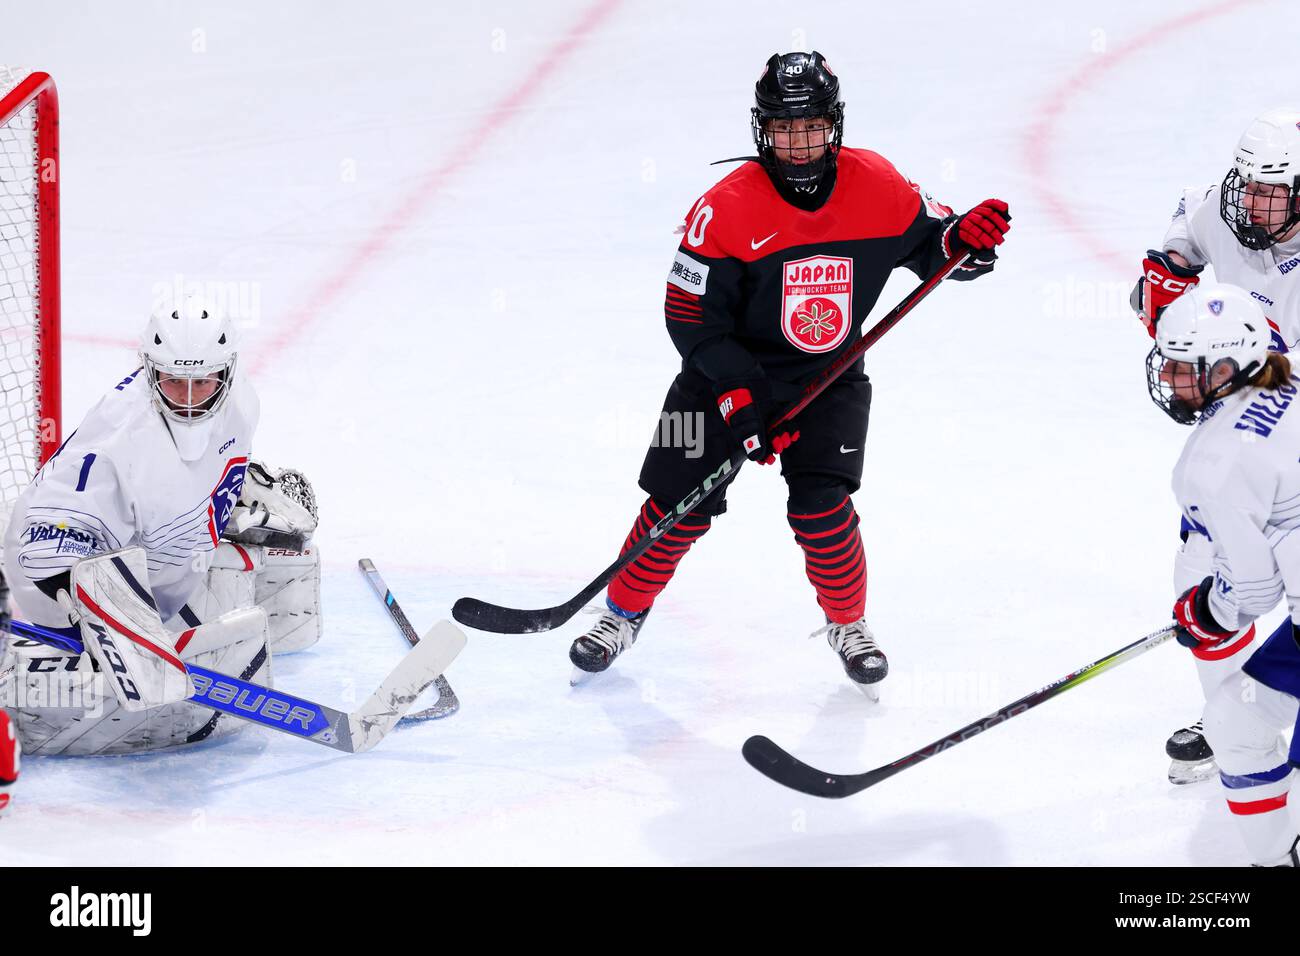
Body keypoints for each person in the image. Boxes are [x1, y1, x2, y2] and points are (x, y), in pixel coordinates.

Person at [568, 51, 1011, 690]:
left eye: (808, 127)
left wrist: (964, 241)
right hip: (717, 376)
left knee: (822, 505)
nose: (797, 145)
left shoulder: (881, 185)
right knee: (675, 505)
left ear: (833, 125)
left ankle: (849, 623)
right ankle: (619, 615)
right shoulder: (723, 210)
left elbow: (935, 250)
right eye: (782, 128)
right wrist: (737, 398)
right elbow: (688, 318)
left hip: (827, 376)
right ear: (761, 130)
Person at [0, 291, 321, 756]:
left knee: (277, 551)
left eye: (203, 382)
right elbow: (44, 535)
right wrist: (85, 601)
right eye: (173, 382)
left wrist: (240, 497)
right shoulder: (119, 441)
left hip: (162, 575)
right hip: (58, 585)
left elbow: (196, 472)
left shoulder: (242, 403)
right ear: (150, 371)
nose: (189, 400)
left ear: (227, 372)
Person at [1132, 107, 1300, 783]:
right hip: (1241, 434)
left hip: (1286, 439)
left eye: (1272, 193)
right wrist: (1165, 274)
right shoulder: (1220, 210)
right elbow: (1177, 250)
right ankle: (1235, 714)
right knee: (1198, 575)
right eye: (1248, 187)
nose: (1254, 205)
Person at [1147, 282, 1300, 866]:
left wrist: (1204, 611)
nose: (1170, 380)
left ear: (1229, 367)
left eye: (1185, 368)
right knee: (1235, 717)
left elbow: (1253, 592)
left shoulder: (1215, 463)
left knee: (1236, 722)